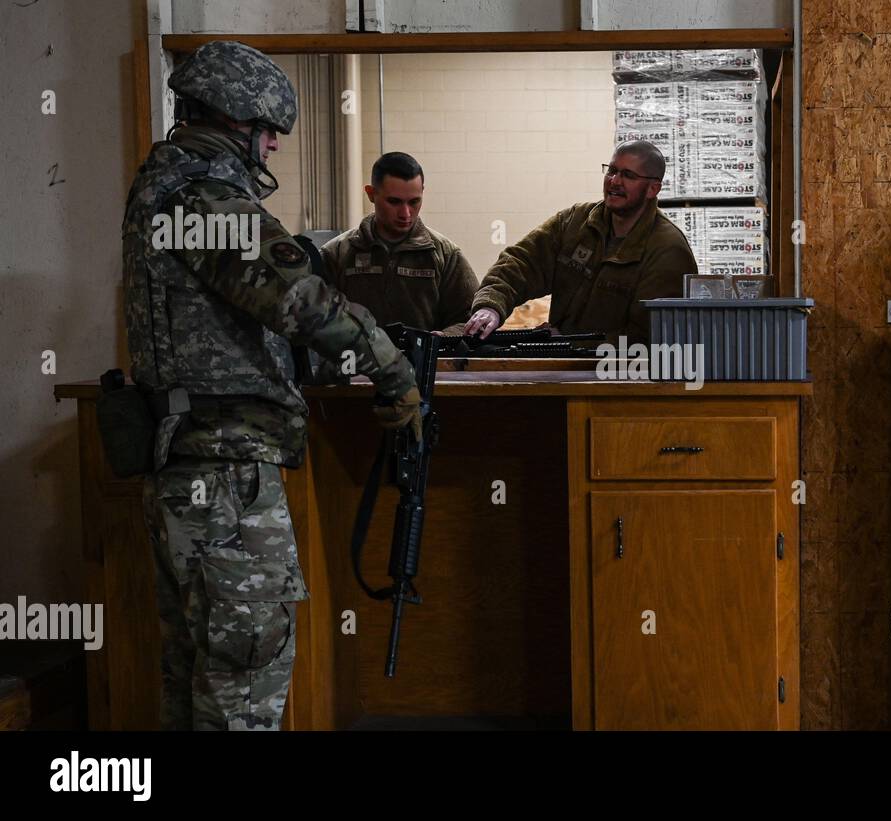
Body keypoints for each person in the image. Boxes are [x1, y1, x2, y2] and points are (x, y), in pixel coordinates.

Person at [122, 40, 422, 731]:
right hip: (228, 472)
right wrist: (391, 367)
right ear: (236, 122)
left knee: (196, 673)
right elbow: (300, 301)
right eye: (269, 134)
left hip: (183, 465)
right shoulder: (208, 198)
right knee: (244, 681)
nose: (275, 150)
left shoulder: (159, 186)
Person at [463, 140, 696, 344]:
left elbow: (648, 337)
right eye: (611, 171)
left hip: (625, 378)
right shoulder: (575, 222)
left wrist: (569, 343)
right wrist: (490, 306)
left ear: (653, 189)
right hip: (564, 370)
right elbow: (520, 263)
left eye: (628, 175)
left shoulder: (667, 250)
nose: (615, 181)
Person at [321, 152, 477, 334]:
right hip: (355, 361)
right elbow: (313, 320)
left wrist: (442, 339)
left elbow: (469, 319)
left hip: (424, 361)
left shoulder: (446, 255)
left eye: (414, 202)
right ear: (371, 194)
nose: (406, 213)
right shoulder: (336, 254)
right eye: (394, 202)